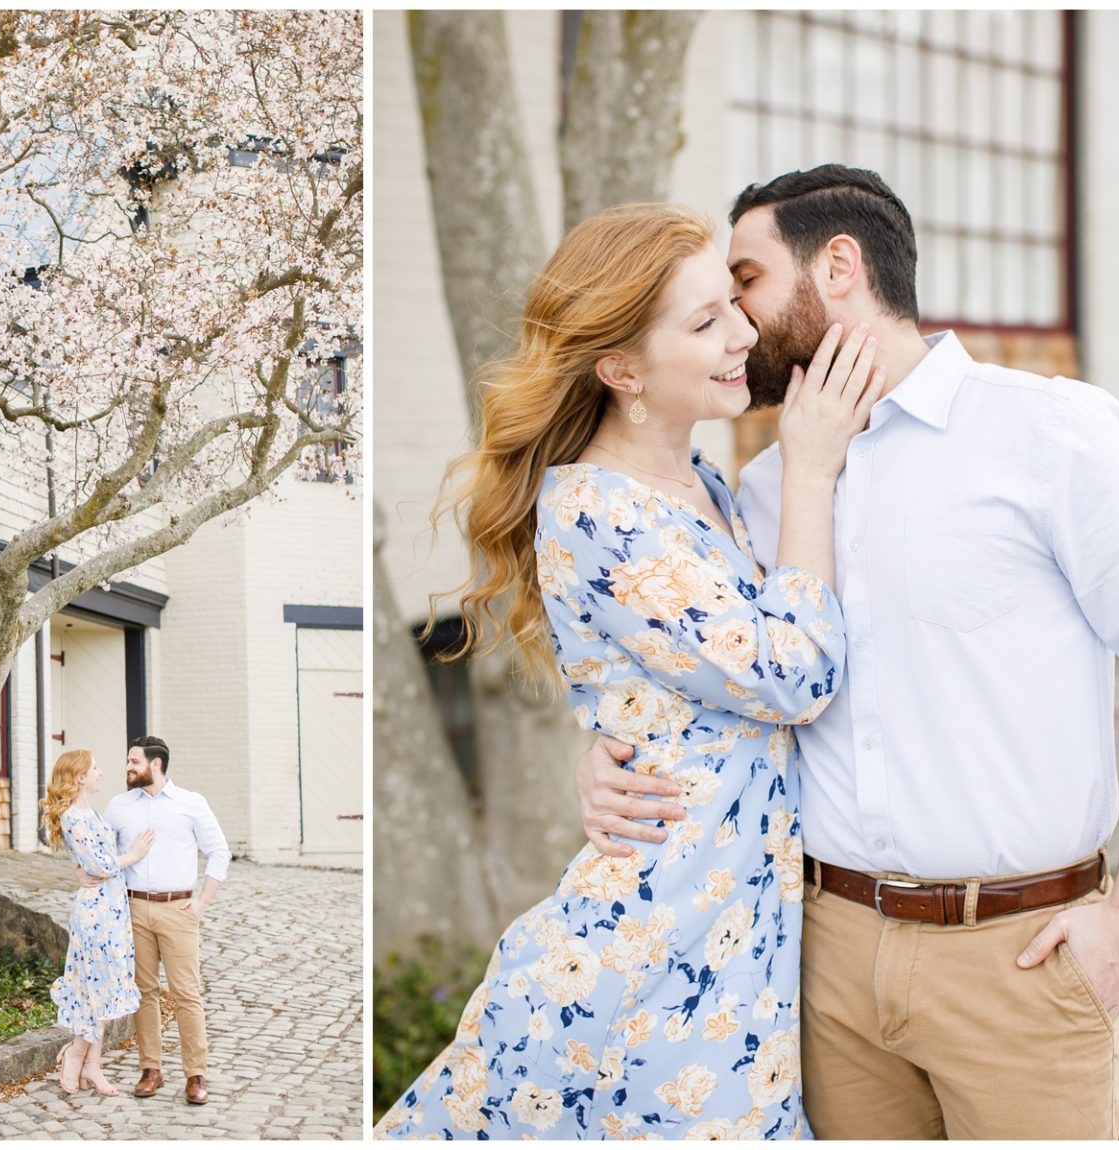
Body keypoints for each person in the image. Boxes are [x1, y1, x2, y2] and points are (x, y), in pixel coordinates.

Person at [573, 164, 1119, 1140]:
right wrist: (606, 756)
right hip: (821, 956)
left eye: (745, 281)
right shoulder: (765, 488)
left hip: (1021, 956)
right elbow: (732, 682)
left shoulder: (1048, 434)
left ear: (838, 267)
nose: (736, 322)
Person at [376, 204, 882, 1139]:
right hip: (657, 952)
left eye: (733, 302)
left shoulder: (702, 486)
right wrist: (811, 469)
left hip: (731, 937)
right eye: (704, 322)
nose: (743, 334)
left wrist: (620, 750)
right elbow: (792, 675)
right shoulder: (597, 513)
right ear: (622, 371)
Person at [102, 735, 232, 1106]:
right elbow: (104, 856)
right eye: (129, 761)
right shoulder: (118, 806)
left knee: (186, 993)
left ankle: (195, 1075)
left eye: (134, 761)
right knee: (143, 992)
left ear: (155, 764)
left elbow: (219, 852)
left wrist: (202, 903)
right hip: (134, 909)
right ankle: (150, 1069)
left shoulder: (191, 803)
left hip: (178, 909)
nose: (128, 767)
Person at [40, 748, 153, 1096]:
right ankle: (75, 1055)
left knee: (104, 985)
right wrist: (134, 854)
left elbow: (94, 860)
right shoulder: (74, 817)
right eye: (95, 768)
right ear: (80, 777)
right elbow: (100, 865)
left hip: (113, 907)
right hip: (96, 912)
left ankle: (92, 1064)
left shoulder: (91, 811)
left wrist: (85, 866)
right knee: (92, 984)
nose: (101, 772)